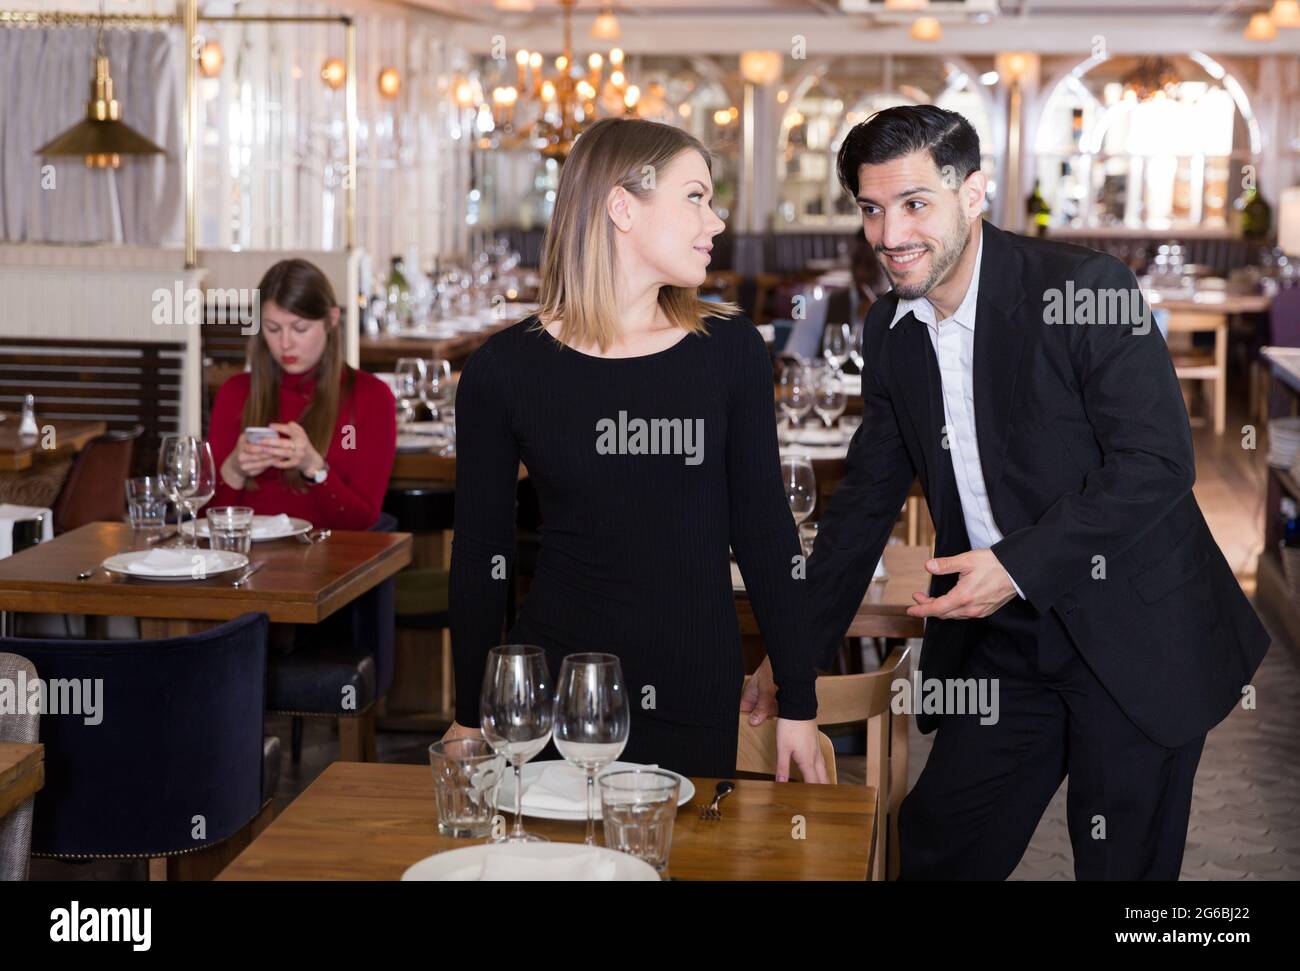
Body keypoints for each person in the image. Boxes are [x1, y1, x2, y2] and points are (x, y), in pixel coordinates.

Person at [743, 105, 1270, 878]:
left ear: (974, 193)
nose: (890, 234)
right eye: (872, 209)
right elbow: (861, 507)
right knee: (939, 847)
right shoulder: (892, 331)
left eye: (915, 203)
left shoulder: (1087, 288)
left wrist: (1017, 563)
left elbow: (1157, 462)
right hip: (1006, 643)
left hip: (1132, 631)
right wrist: (792, 657)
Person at [445, 117, 827, 782]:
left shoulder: (731, 351)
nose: (715, 220)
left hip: (692, 689)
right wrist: (470, 713)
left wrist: (799, 698)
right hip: (554, 695)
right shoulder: (503, 369)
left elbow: (766, 532)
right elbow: (483, 553)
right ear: (622, 206)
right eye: (695, 197)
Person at [209, 258, 396, 530]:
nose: (285, 343)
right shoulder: (235, 393)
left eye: (300, 328)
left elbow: (360, 520)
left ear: (331, 320)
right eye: (272, 329)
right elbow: (206, 521)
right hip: (248, 561)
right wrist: (234, 470)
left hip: (333, 564)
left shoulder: (369, 397)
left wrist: (315, 468)